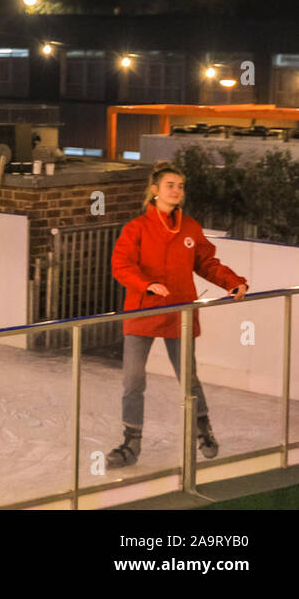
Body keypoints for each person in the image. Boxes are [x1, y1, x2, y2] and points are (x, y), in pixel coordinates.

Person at [106, 163, 248, 468]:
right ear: (155, 190)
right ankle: (131, 442)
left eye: (181, 185)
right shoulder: (137, 228)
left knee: (189, 379)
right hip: (143, 312)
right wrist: (147, 285)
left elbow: (207, 263)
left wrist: (234, 281)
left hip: (179, 313)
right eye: (170, 184)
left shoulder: (190, 228)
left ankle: (202, 429)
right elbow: (121, 266)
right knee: (133, 380)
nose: (177, 190)